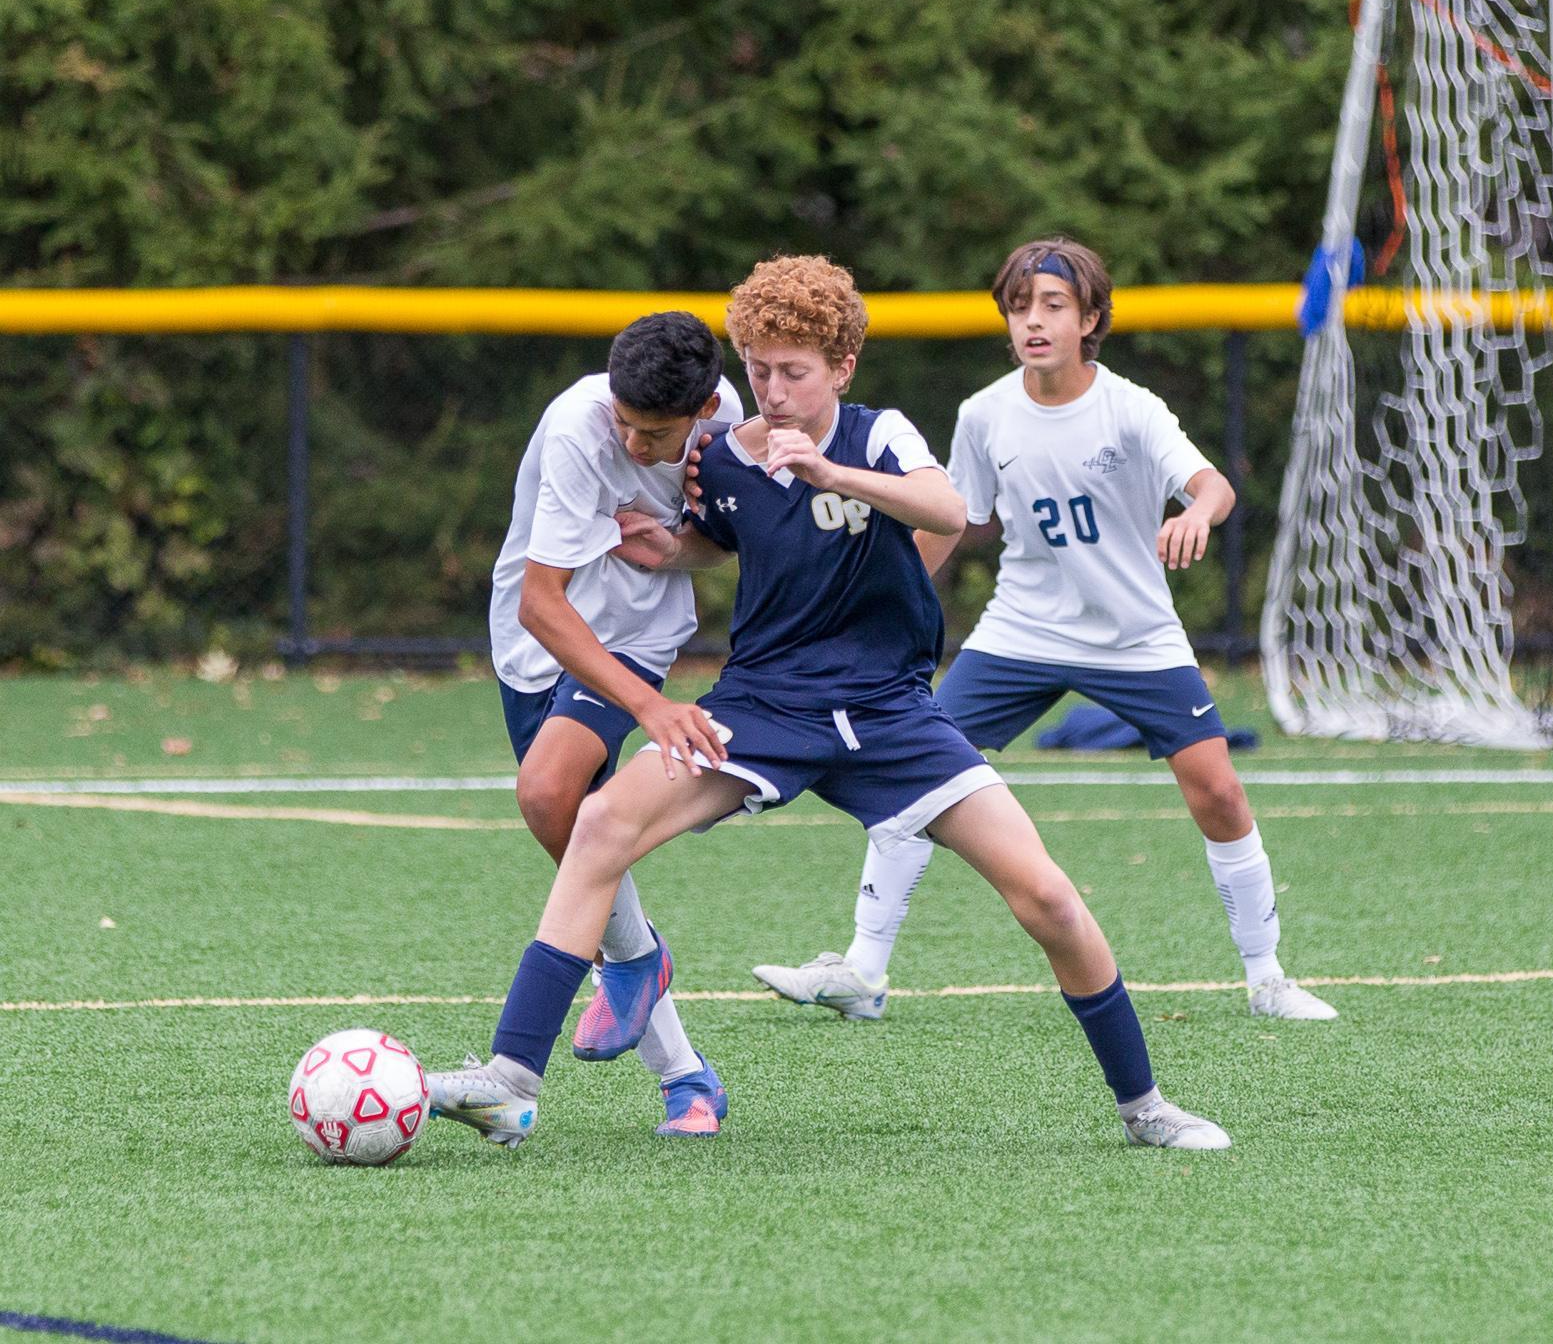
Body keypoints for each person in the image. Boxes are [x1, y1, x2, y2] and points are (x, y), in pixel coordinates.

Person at [433, 254, 1230, 1151]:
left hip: (892, 714)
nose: (772, 391)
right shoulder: (721, 455)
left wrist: (832, 475)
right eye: (759, 369)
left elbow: (946, 508)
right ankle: (509, 1079)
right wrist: (675, 548)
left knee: (1045, 894)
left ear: (842, 368)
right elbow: (721, 537)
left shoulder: (876, 434)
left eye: (794, 372)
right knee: (599, 823)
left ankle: (1145, 1106)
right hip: (766, 707)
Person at [750, 237, 1338, 1024]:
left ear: (1089, 318)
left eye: (1053, 306)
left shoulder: (1129, 408)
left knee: (1220, 792)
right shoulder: (985, 414)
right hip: (1019, 633)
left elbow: (1213, 486)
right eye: (1021, 307)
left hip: (1136, 636)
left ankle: (1268, 978)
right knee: (914, 776)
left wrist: (1195, 512)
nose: (1034, 321)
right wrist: (879, 606)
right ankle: (863, 971)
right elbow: (952, 521)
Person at [427, 311, 742, 1143]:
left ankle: (521, 1075)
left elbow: (722, 545)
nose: (636, 447)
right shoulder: (579, 425)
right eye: (626, 426)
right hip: (539, 641)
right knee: (580, 838)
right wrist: (652, 710)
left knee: (547, 793)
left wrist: (676, 552)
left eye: (657, 435)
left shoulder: (732, 424)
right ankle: (683, 1069)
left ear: (706, 408)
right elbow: (541, 602)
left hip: (634, 635)